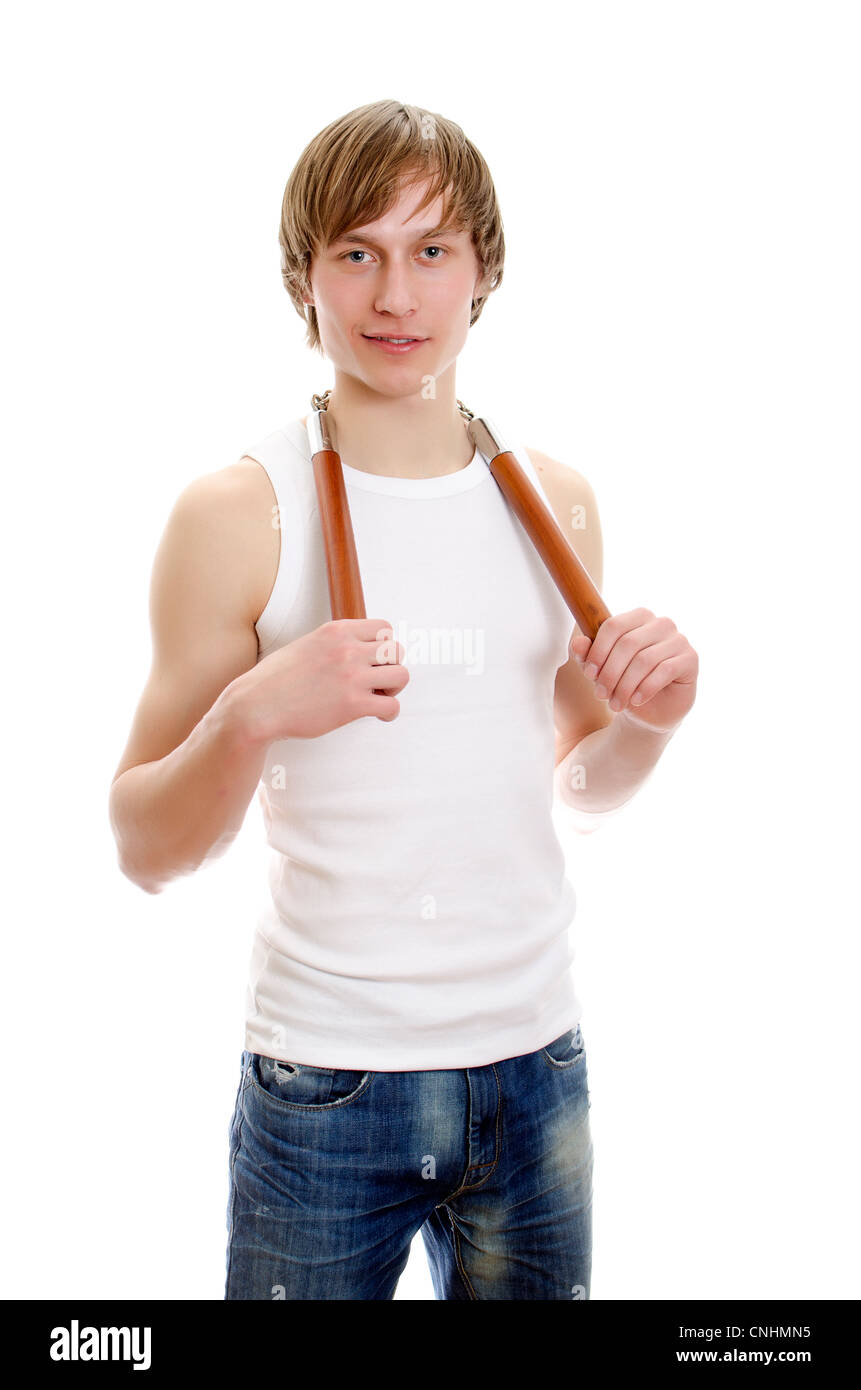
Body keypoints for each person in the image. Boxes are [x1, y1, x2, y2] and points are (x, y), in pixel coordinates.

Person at [108, 99, 698, 1301]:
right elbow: (144, 848)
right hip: (329, 1084)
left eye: (432, 251)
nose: (395, 296)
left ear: (483, 272)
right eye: (356, 253)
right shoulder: (236, 513)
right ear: (303, 276)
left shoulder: (558, 500)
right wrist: (253, 711)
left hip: (538, 1068)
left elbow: (581, 787)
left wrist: (649, 720)